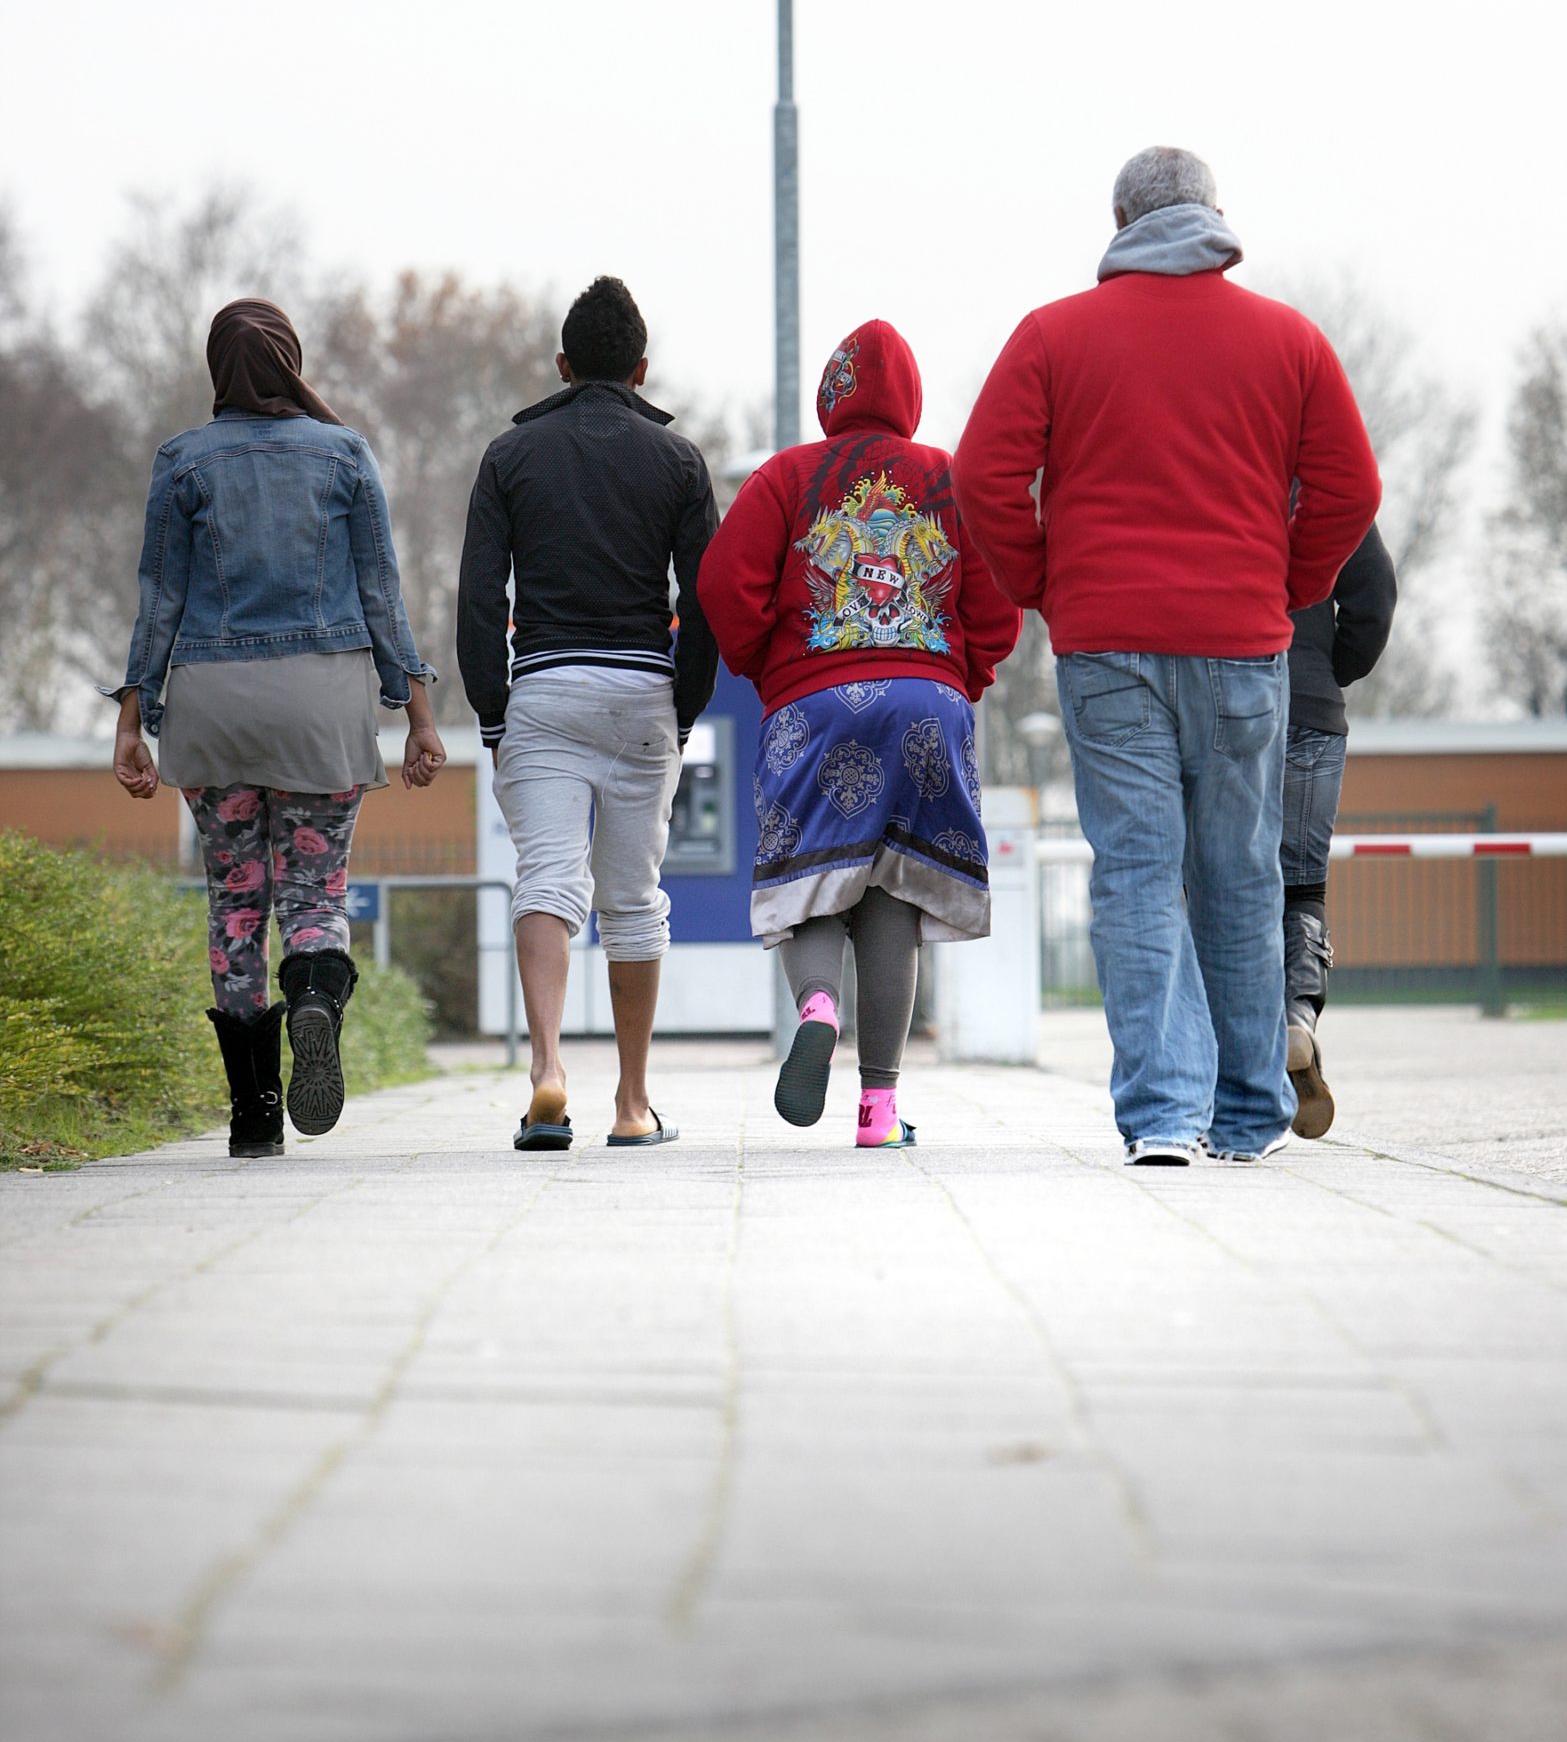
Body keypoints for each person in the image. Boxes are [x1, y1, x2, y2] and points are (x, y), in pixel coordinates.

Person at [955, 147, 1380, 1166]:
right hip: (1243, 645)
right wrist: (1288, 583)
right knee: (1240, 876)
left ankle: (1162, 1117)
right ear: (1214, 215)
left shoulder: (1053, 335)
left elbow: (981, 476)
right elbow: (1352, 488)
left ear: (1120, 223)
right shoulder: (1290, 340)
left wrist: (1044, 583)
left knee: (1138, 873)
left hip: (1107, 647)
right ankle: (1248, 1114)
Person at [106, 299, 444, 1157]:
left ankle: (252, 1114)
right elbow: (381, 594)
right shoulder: (344, 452)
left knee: (236, 902)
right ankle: (316, 998)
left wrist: (131, 721)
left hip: (212, 708)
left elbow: (159, 601)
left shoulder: (183, 461)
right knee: (313, 892)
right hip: (321, 709)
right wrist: (419, 716)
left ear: (217, 368)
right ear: (291, 361)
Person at [699, 321, 1021, 1146]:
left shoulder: (785, 476)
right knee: (892, 895)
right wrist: (959, 678)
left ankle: (816, 1008)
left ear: (830, 394)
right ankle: (878, 1110)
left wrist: (769, 670)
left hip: (815, 701)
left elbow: (723, 582)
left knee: (812, 876)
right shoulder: (948, 479)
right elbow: (997, 598)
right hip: (927, 700)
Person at [457, 276, 720, 1153]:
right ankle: (632, 1105)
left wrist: (494, 716)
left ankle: (546, 1072)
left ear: (562, 365)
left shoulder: (509, 456)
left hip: (544, 690)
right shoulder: (678, 461)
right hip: (642, 691)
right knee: (633, 898)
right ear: (641, 369)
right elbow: (705, 601)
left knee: (545, 879)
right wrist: (683, 708)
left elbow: (479, 597)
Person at [1282, 520, 1396, 1137]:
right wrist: (1327, 669)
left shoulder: (1217, 467)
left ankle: (1234, 1060)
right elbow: (1373, 594)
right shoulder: (1321, 481)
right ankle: (1298, 1015)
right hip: (1312, 710)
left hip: (1227, 703)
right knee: (1302, 887)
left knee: (1226, 886)